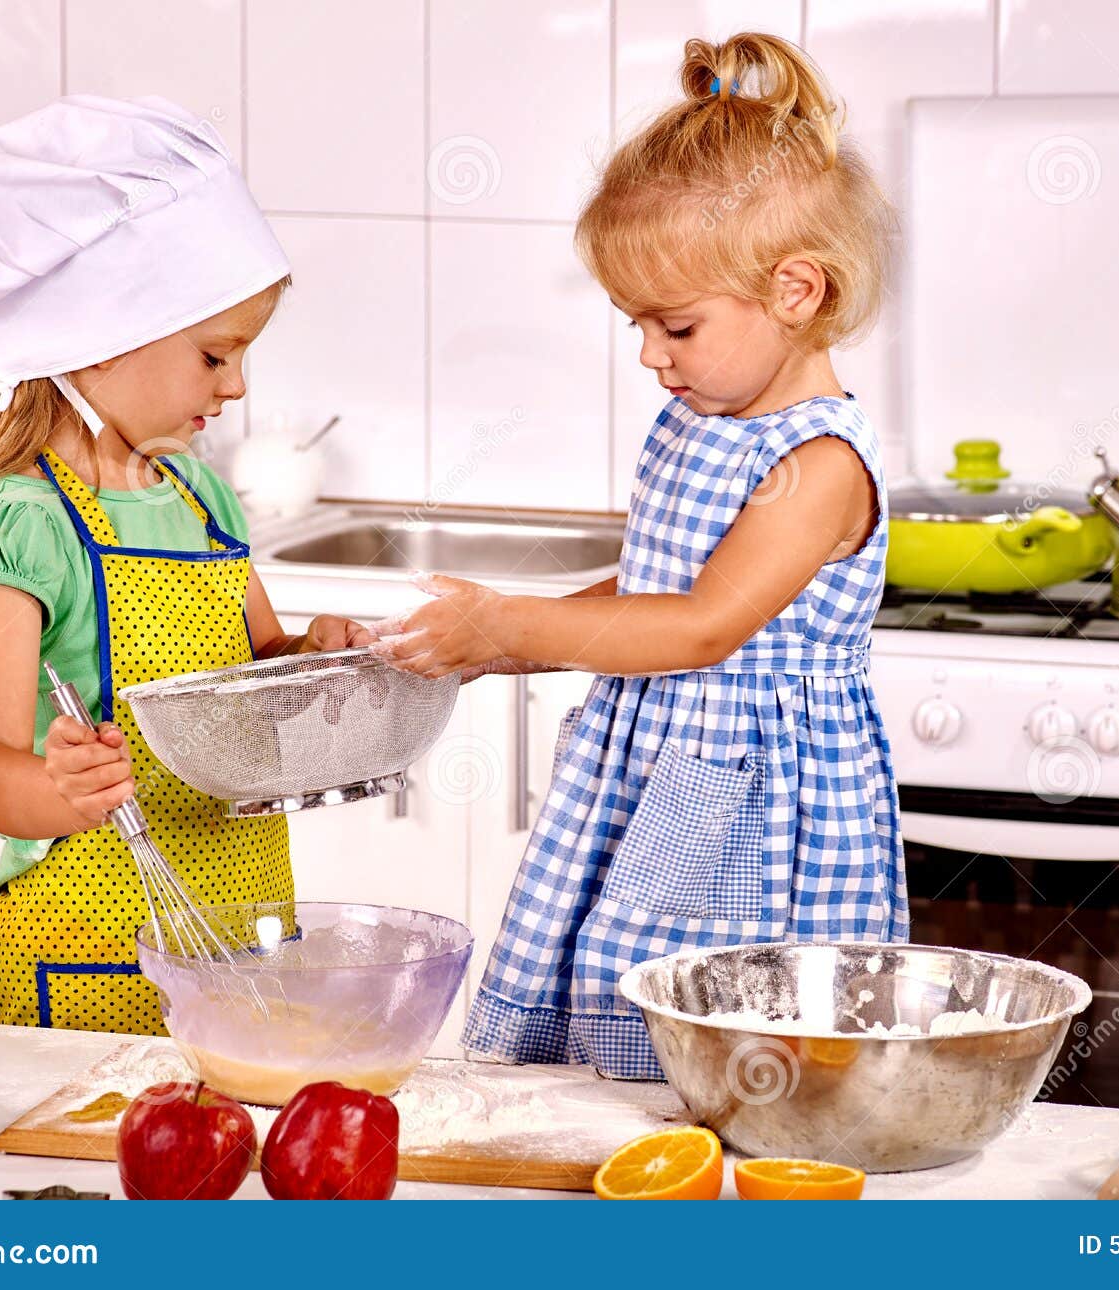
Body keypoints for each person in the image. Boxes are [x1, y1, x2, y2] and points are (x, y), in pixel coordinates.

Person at [371, 33, 907, 1078]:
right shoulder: (709, 414)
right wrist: (509, 646)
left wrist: (513, 623)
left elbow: (706, 626)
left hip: (750, 801)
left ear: (796, 291)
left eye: (676, 326)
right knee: (617, 1018)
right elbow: (660, 588)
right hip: (661, 759)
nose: (652, 356)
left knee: (718, 1038)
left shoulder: (822, 462)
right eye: (638, 327)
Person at [0, 96, 371, 1033]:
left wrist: (310, 662)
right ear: (97, 338)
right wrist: (58, 788)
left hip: (238, 941)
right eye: (215, 353)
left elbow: (251, 672)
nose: (236, 384)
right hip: (85, 961)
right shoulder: (20, 525)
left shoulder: (203, 499)